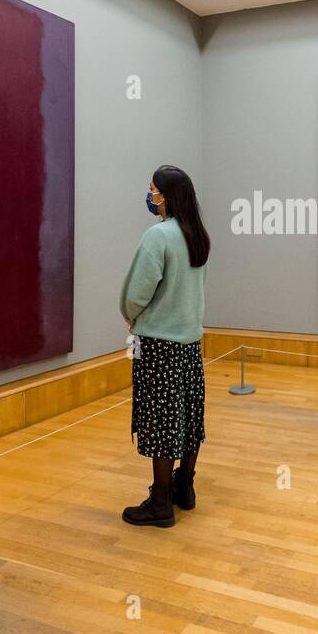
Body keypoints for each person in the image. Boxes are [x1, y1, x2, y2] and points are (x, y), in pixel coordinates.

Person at [118, 165, 210, 527]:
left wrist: (131, 314)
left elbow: (138, 291)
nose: (149, 194)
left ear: (167, 196)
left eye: (153, 189)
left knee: (160, 420)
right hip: (190, 342)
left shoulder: (158, 236)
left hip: (158, 343)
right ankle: (183, 488)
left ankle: (159, 502)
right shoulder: (197, 234)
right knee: (187, 415)